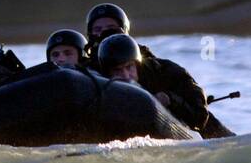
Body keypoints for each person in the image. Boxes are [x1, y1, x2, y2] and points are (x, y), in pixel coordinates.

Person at [95, 32, 235, 139]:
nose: (125, 75)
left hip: (193, 128)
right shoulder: (97, 85)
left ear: (137, 65)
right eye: (117, 71)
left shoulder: (164, 72)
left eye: (129, 67)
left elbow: (199, 114)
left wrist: (170, 100)